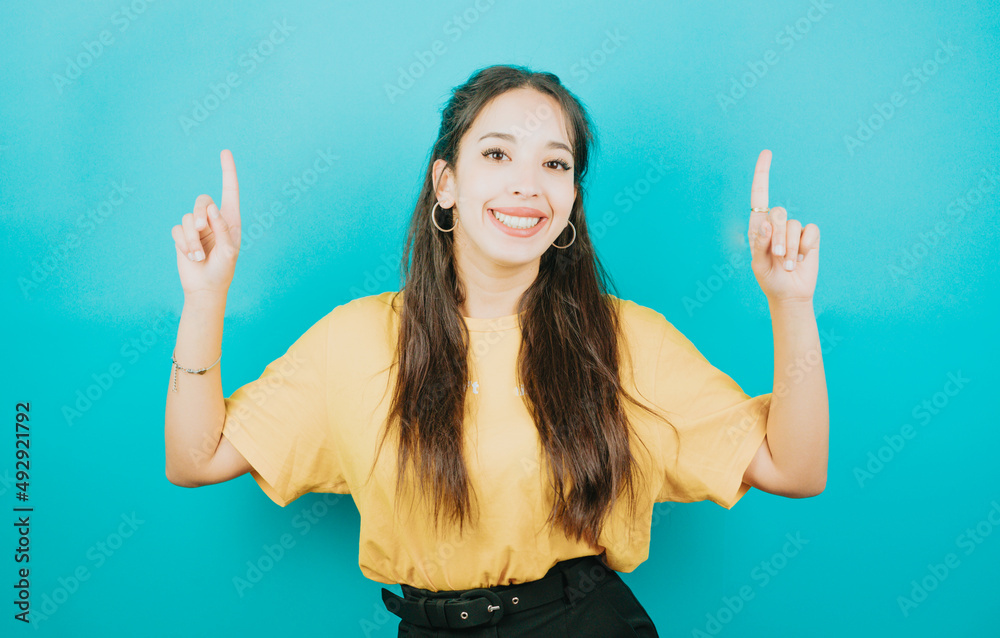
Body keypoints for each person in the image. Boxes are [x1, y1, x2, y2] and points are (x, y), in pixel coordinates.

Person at [164, 64, 828, 637]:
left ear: (571, 198)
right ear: (445, 183)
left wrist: (790, 303)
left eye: (555, 164)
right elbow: (195, 460)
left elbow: (794, 470)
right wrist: (206, 295)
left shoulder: (625, 340)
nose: (527, 184)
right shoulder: (354, 339)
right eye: (497, 154)